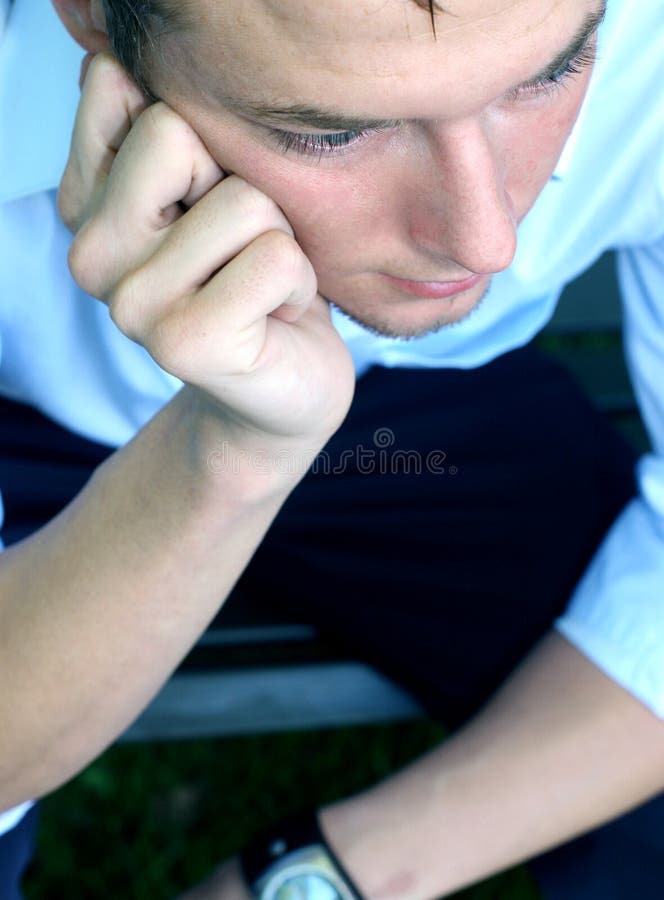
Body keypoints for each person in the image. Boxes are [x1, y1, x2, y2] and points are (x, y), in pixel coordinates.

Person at [1, 0, 663, 898]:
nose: (484, 238)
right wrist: (234, 447)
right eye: (336, 132)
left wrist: (334, 876)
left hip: (423, 419)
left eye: (548, 72)